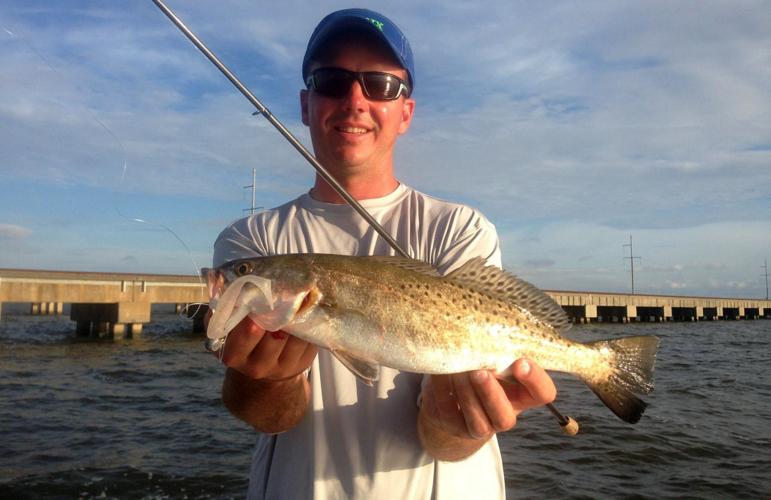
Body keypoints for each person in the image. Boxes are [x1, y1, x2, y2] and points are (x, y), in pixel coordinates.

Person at [211, 8, 556, 500]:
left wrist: (455, 422)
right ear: (307, 105)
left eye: (380, 85)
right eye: (332, 80)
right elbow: (271, 417)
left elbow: (445, 441)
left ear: (405, 112)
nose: (355, 100)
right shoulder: (254, 240)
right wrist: (262, 383)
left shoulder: (460, 230)